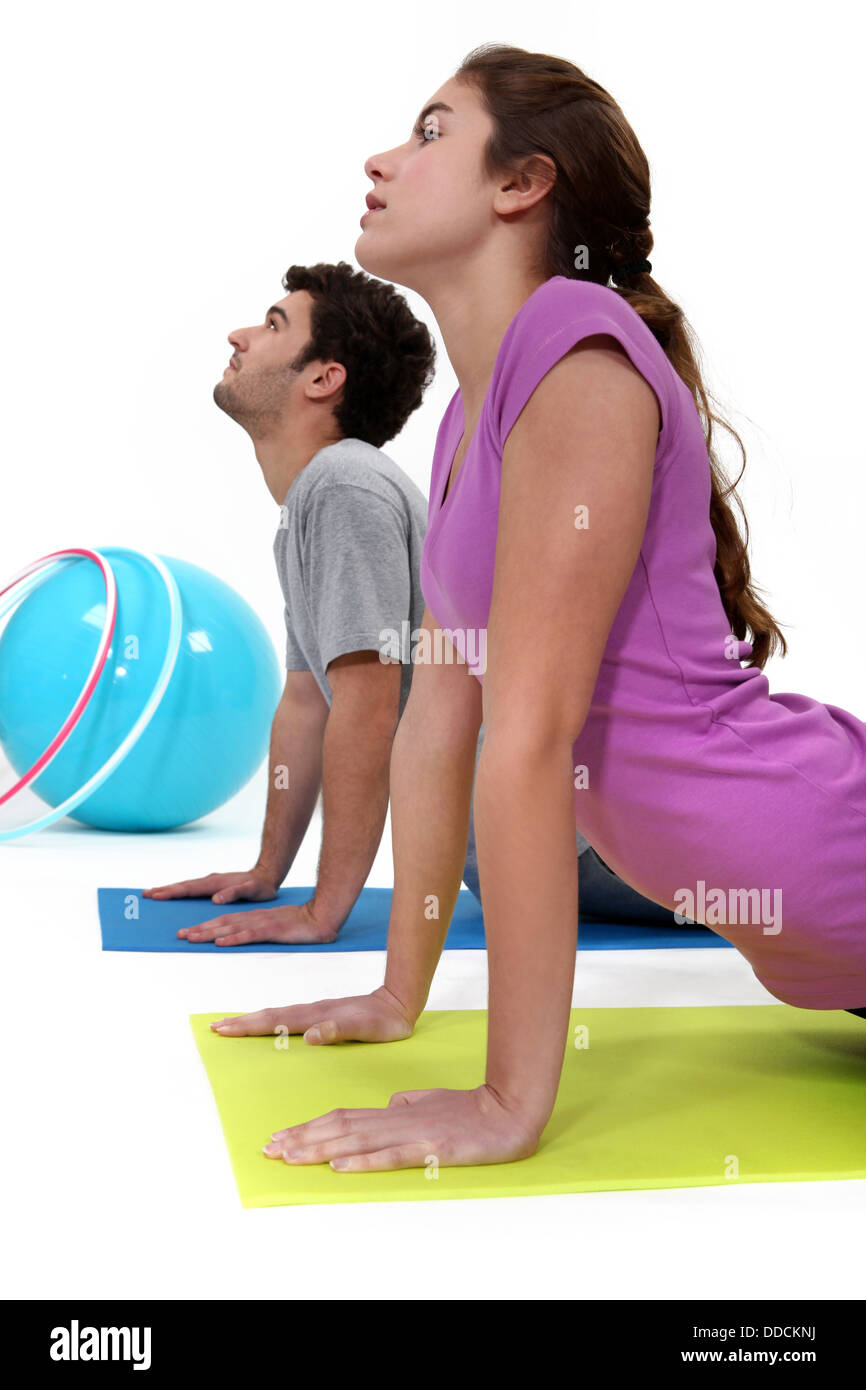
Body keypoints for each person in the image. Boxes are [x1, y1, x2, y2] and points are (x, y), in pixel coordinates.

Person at [212, 42, 866, 1176]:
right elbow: (437, 726)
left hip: (825, 853)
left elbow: (529, 737)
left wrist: (510, 1100)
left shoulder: (572, 348)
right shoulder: (472, 420)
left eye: (427, 133)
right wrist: (398, 990)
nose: (379, 158)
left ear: (521, 185)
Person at [143, 260, 679, 939]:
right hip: (527, 856)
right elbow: (308, 703)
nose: (240, 335)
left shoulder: (344, 486)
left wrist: (324, 910)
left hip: (586, 847)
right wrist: (266, 873)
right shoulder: (314, 504)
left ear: (322, 377)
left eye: (273, 324)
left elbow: (366, 708)